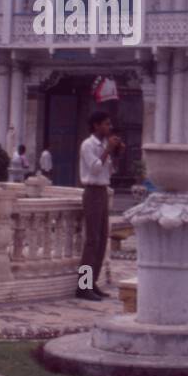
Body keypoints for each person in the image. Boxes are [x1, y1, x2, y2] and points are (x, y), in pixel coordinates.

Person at [77, 110, 123, 301]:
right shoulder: (88, 145)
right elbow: (94, 169)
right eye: (105, 124)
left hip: (103, 191)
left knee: (103, 239)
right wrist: (107, 151)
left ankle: (92, 282)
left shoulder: (104, 145)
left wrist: (117, 153)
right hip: (92, 192)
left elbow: (110, 171)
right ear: (96, 125)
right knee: (92, 241)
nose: (109, 127)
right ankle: (83, 286)